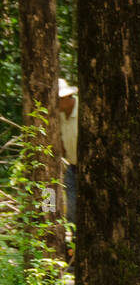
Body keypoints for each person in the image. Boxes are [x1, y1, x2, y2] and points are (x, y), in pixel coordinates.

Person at [56, 78, 78, 223]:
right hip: (72, 166)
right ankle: (74, 241)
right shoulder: (59, 115)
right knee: (71, 208)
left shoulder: (86, 110)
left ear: (65, 98)